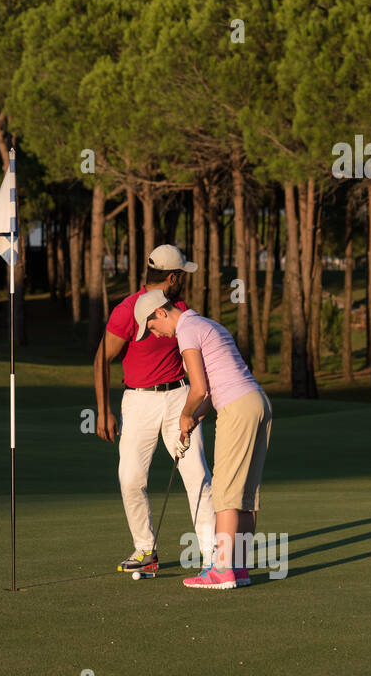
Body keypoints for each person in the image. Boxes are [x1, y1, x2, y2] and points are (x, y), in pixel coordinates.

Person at [138, 291, 272, 589]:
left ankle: (222, 569)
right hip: (258, 403)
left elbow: (198, 389)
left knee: (225, 493)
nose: (156, 335)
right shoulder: (207, 324)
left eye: (151, 327)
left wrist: (184, 416)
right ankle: (239, 569)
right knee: (245, 497)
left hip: (237, 408)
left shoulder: (186, 331)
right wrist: (195, 418)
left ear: (160, 312)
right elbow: (210, 388)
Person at [94, 245, 214, 573]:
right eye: (182, 276)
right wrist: (103, 410)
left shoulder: (180, 309)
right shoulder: (127, 311)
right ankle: (145, 551)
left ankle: (212, 554)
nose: (184, 282)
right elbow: (101, 359)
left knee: (197, 474)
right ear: (172, 277)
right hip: (139, 400)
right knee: (130, 477)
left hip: (179, 396)